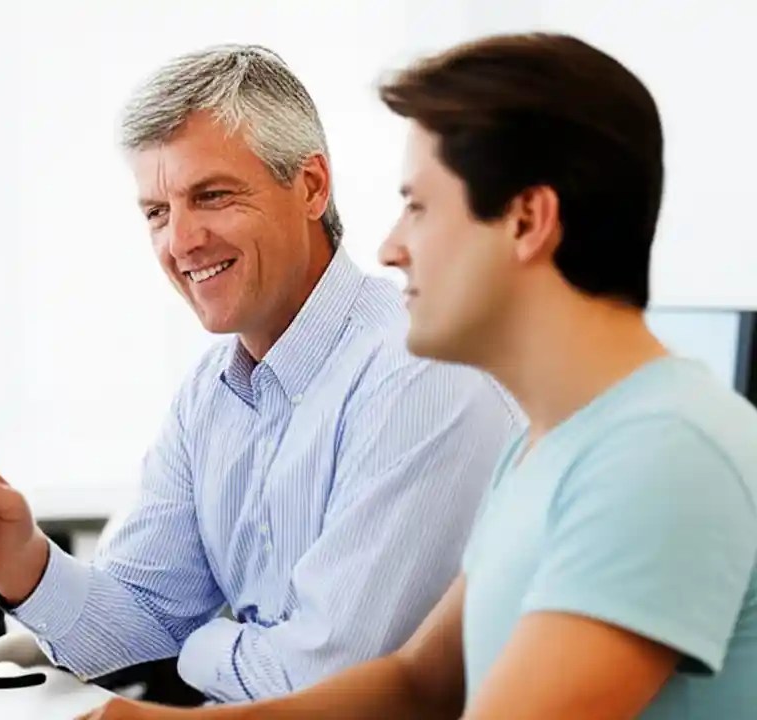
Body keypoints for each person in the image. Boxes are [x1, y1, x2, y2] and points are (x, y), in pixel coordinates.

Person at [80, 31, 757, 720]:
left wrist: (187, 651)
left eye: (420, 206)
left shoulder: (662, 452)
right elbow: (414, 684)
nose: (391, 246)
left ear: (526, 221)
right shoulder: (545, 450)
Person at [0, 44, 518, 703]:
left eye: (212, 196)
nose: (180, 242)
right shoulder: (213, 392)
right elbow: (141, 621)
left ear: (313, 187)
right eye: (157, 211)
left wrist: (199, 645)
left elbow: (325, 684)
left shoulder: (419, 373)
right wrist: (21, 561)